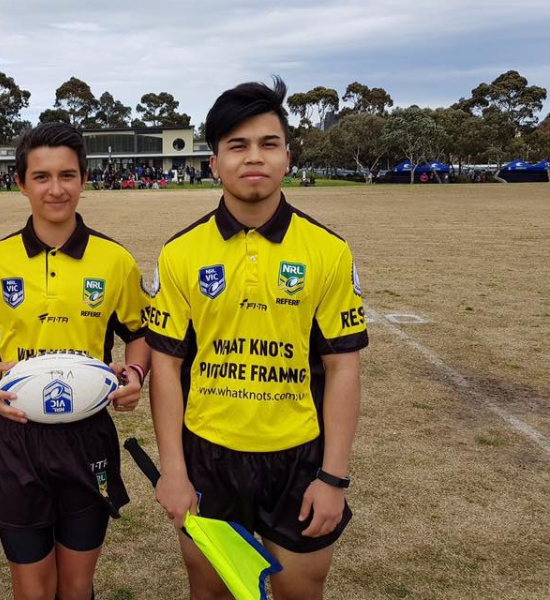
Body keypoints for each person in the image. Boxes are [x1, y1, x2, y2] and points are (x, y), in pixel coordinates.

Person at [147, 78, 368, 600]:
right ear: (214, 163)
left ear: (288, 157)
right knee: (212, 590)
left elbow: (343, 367)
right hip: (209, 455)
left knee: (299, 590)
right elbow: (164, 368)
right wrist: (174, 471)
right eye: (237, 146)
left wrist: (333, 477)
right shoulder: (180, 253)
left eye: (269, 144)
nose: (255, 157)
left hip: (297, 457)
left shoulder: (328, 251)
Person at [0, 123, 150, 600]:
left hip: (86, 434)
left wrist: (134, 375)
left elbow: (139, 336)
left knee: (76, 584)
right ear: (21, 183)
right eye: (42, 176)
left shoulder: (114, 260)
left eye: (67, 175)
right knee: (31, 587)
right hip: (16, 434)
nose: (56, 188)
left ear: (84, 179)